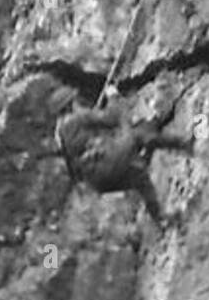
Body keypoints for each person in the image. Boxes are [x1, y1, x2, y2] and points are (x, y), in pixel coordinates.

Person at [55, 93, 192, 224]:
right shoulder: (77, 118)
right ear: (71, 105)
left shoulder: (60, 135)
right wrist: (112, 96)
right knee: (139, 135)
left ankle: (161, 219)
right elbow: (112, 118)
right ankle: (185, 145)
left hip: (97, 180)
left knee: (139, 176)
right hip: (108, 163)